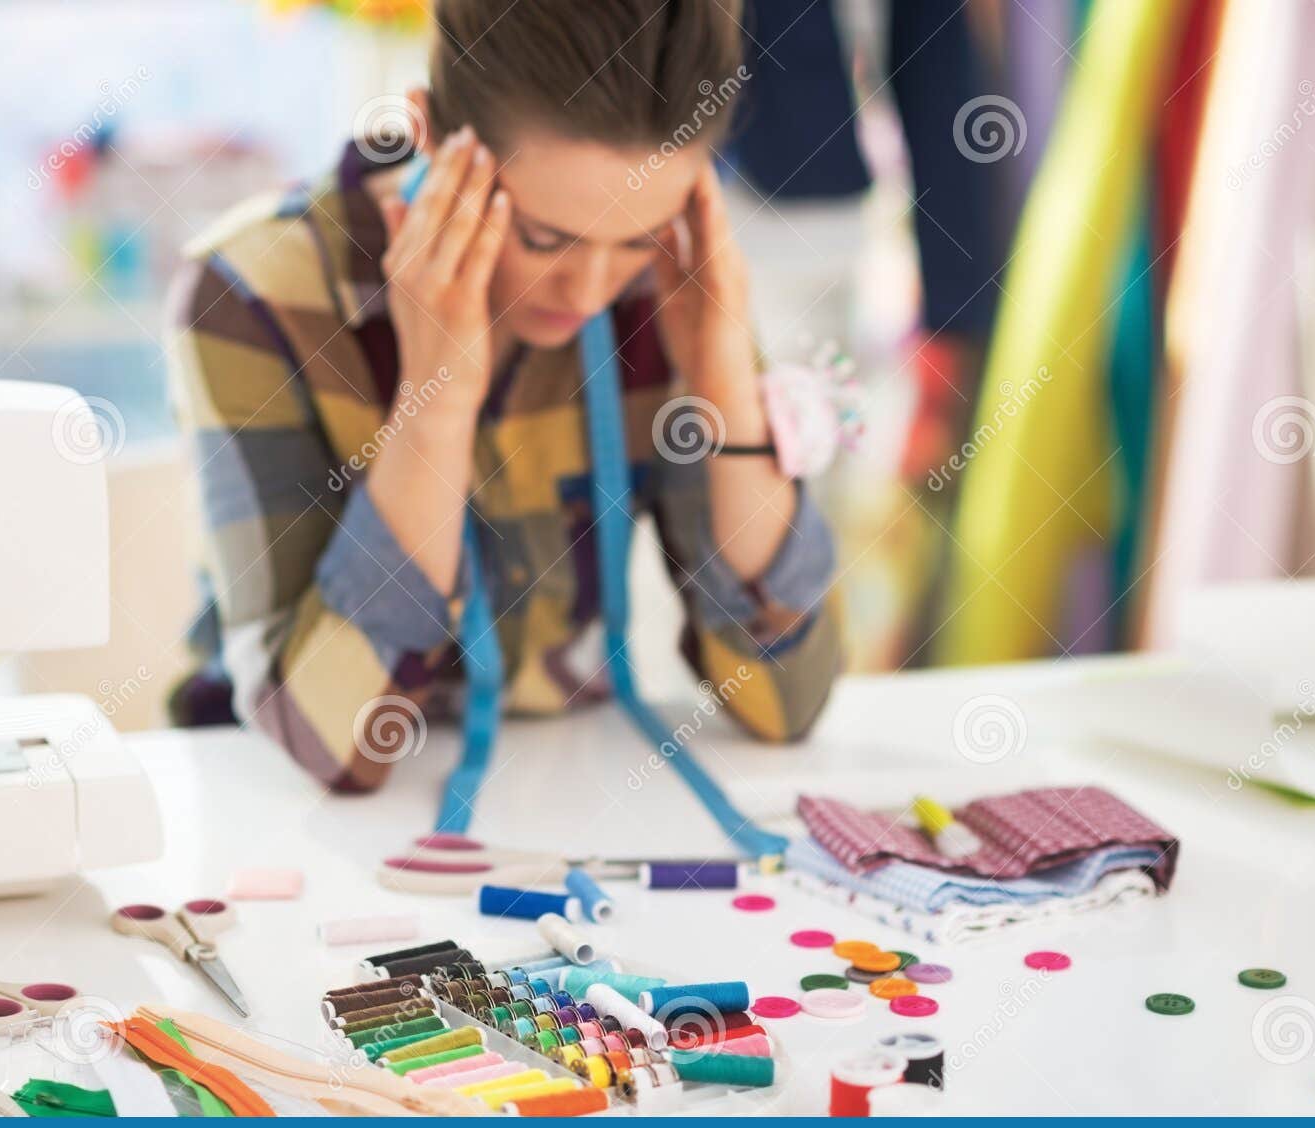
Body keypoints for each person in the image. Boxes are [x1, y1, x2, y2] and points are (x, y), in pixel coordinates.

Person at [168, 0, 840, 793]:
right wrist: (436, 402)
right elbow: (332, 744)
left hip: (553, 786)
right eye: (544, 237)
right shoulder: (250, 297)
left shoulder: (674, 287)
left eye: (637, 237)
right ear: (428, 139)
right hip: (265, 807)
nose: (592, 289)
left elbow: (787, 702)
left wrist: (727, 391)